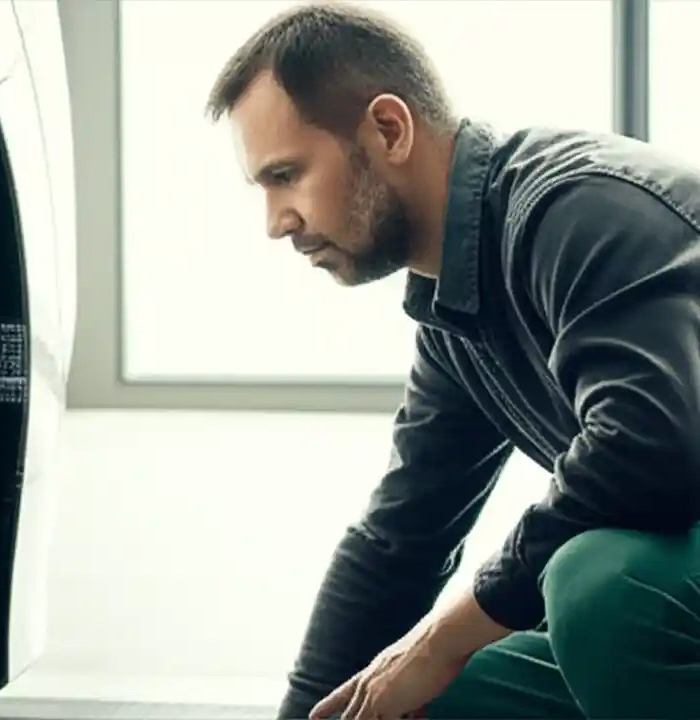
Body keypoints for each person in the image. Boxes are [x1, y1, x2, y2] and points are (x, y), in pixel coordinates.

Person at [204, 2, 700, 719]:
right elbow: (401, 539)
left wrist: (442, 638)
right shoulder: (456, 312)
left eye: (288, 175)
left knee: (594, 584)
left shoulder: (580, 211)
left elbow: (652, 452)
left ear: (388, 129)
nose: (277, 221)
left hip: (653, 588)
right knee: (421, 701)